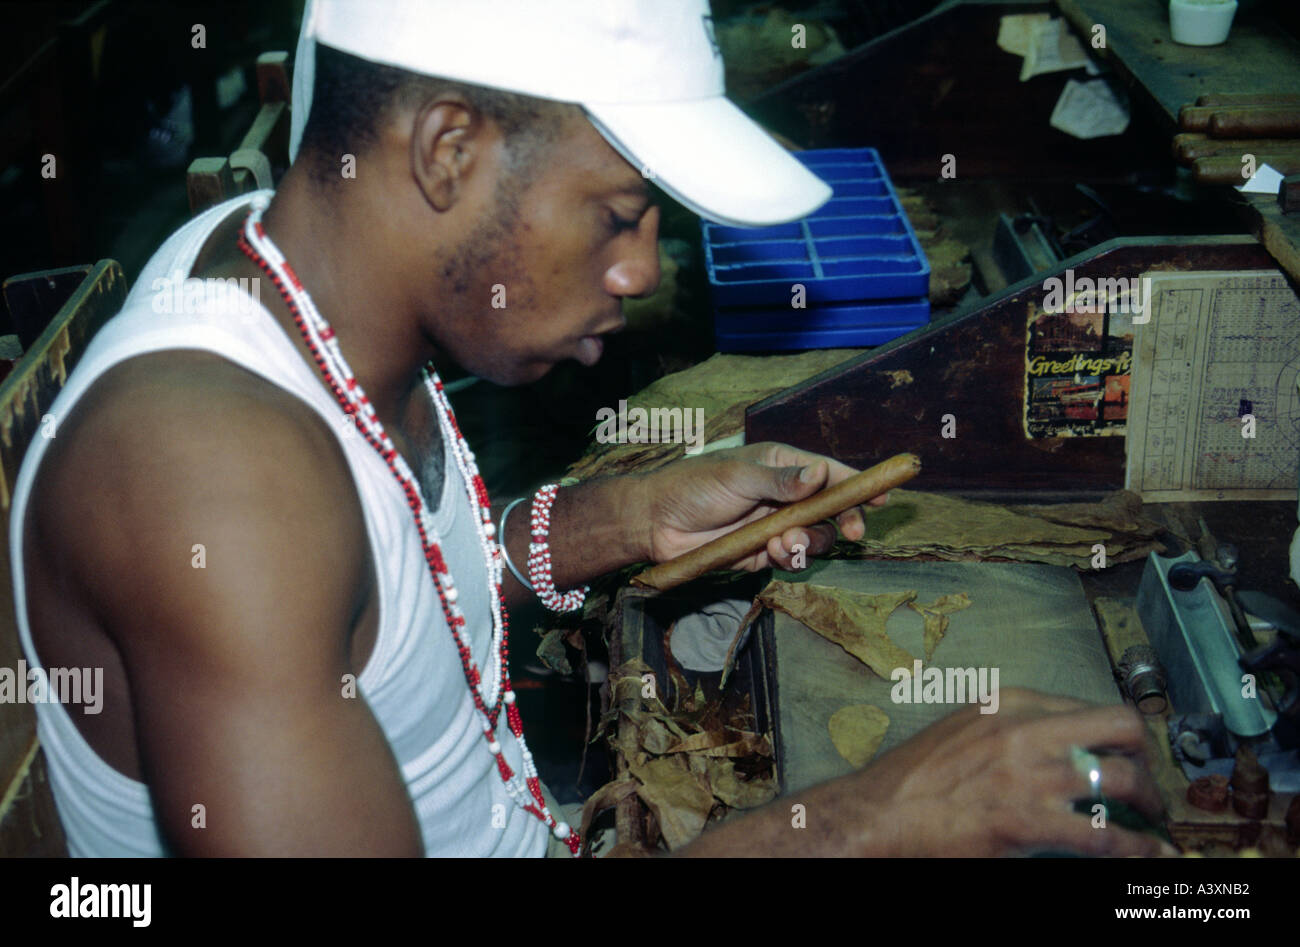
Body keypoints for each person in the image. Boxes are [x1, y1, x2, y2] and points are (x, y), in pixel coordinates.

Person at [10, 0, 1170, 857]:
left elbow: (392, 602)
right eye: (616, 214)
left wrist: (618, 518)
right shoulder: (209, 476)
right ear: (447, 150)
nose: (639, 271)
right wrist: (867, 816)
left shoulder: (290, 265)